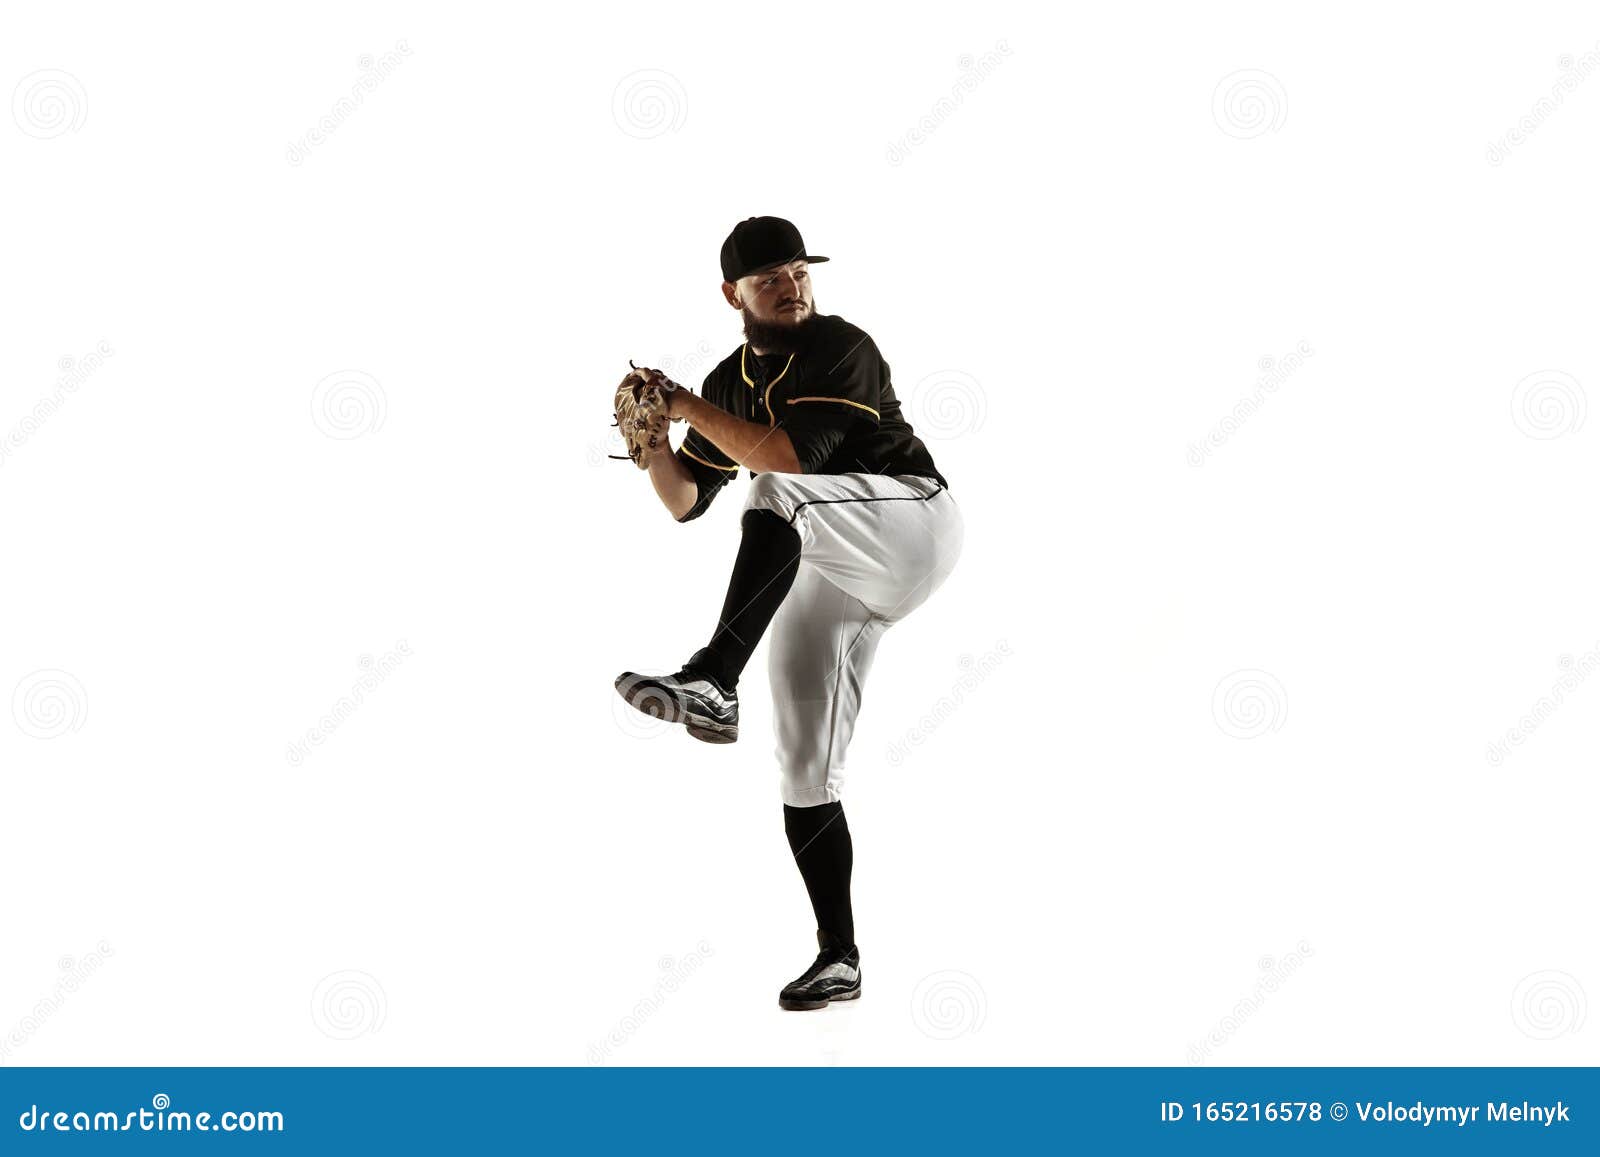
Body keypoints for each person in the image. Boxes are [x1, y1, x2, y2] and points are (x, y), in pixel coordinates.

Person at [615, 216, 964, 1010]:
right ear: (732, 293)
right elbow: (683, 503)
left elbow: (787, 461)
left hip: (911, 522)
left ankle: (711, 678)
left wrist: (684, 404)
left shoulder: (844, 345)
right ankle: (839, 956)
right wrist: (653, 446)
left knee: (778, 492)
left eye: (799, 268)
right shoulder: (730, 378)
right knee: (805, 765)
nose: (791, 283)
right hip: (833, 558)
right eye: (770, 275)